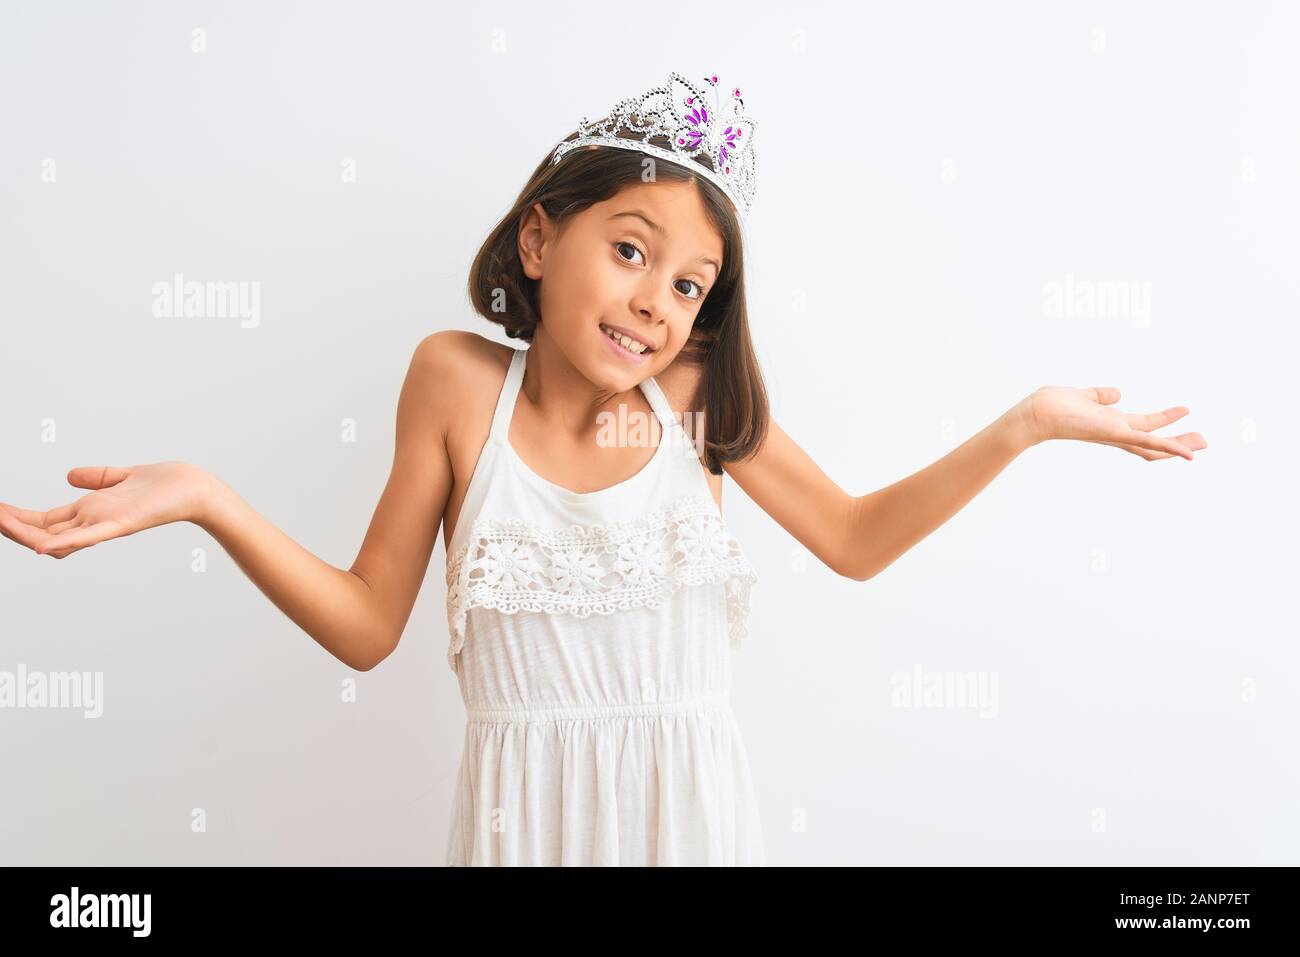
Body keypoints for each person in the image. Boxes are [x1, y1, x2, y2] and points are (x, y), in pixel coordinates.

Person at [0, 71, 1206, 867]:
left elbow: (852, 538)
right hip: (522, 829)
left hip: (689, 828)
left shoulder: (694, 405)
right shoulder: (454, 382)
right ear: (539, 236)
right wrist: (210, 500)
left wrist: (1026, 425)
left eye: (688, 285)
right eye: (630, 250)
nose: (656, 301)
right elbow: (370, 626)